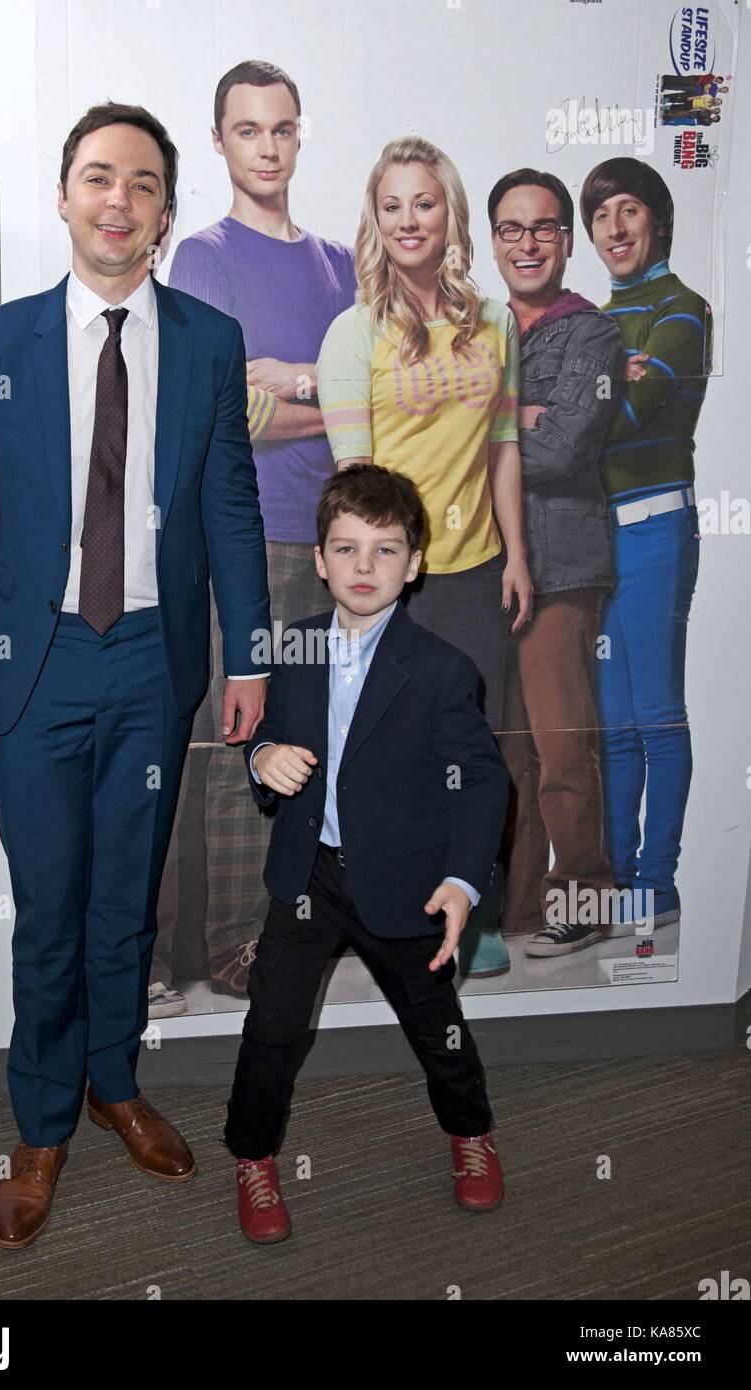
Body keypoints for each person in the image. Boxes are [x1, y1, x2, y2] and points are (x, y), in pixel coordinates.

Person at [0, 101, 270, 1248]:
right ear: (65, 197)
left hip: (152, 664)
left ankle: (113, 1084)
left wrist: (251, 655)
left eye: (139, 183)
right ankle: (38, 1128)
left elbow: (231, 508)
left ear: (166, 212)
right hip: (34, 668)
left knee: (126, 901)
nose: (116, 199)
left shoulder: (210, 343)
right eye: (95, 177)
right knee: (51, 910)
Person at [224, 464, 511, 1243]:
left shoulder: (444, 670)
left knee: (436, 1028)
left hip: (406, 885)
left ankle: (470, 1134)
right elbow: (263, 738)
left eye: (384, 551)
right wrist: (263, 759)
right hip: (308, 878)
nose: (362, 567)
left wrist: (459, 880)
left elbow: (483, 786)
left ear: (414, 564)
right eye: (345, 549)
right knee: (272, 1028)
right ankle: (252, 1157)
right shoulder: (294, 648)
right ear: (318, 559)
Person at [316, 135, 532, 978]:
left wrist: (515, 555)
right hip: (392, 583)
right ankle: (385, 920)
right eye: (392, 204)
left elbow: (505, 446)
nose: (409, 220)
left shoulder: (493, 322)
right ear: (375, 218)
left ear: (451, 215)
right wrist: (374, 582)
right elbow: (355, 486)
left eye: (424, 202)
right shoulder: (351, 333)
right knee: (391, 756)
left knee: (474, 754)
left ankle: (469, 911)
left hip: (477, 570)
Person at [167, 60, 356, 999]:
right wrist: (323, 394)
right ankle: (217, 944)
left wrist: (291, 380)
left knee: (307, 740)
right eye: (248, 130)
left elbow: (361, 400)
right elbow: (219, 409)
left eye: (282, 128)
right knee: (227, 742)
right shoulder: (202, 256)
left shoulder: (342, 265)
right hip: (244, 539)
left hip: (333, 548)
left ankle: (287, 925)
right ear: (219, 141)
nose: (268, 147)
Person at [487, 168, 624, 956]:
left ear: (566, 242)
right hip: (483, 566)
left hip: (560, 565)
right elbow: (430, 419)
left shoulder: (592, 334)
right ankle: (520, 909)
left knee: (561, 743)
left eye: (543, 229)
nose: (527, 243)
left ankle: (584, 895)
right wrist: (517, 415)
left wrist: (488, 426)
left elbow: (566, 446)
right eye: (512, 229)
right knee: (505, 749)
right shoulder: (476, 326)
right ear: (494, 243)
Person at [580, 157, 712, 930]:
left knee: (656, 713)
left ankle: (655, 883)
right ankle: (618, 878)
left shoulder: (683, 307)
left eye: (628, 211)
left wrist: (591, 395)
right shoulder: (596, 320)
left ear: (655, 219)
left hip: (658, 525)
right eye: (600, 217)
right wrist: (600, 383)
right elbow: (578, 421)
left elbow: (621, 418)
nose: (615, 229)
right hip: (600, 538)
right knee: (611, 721)